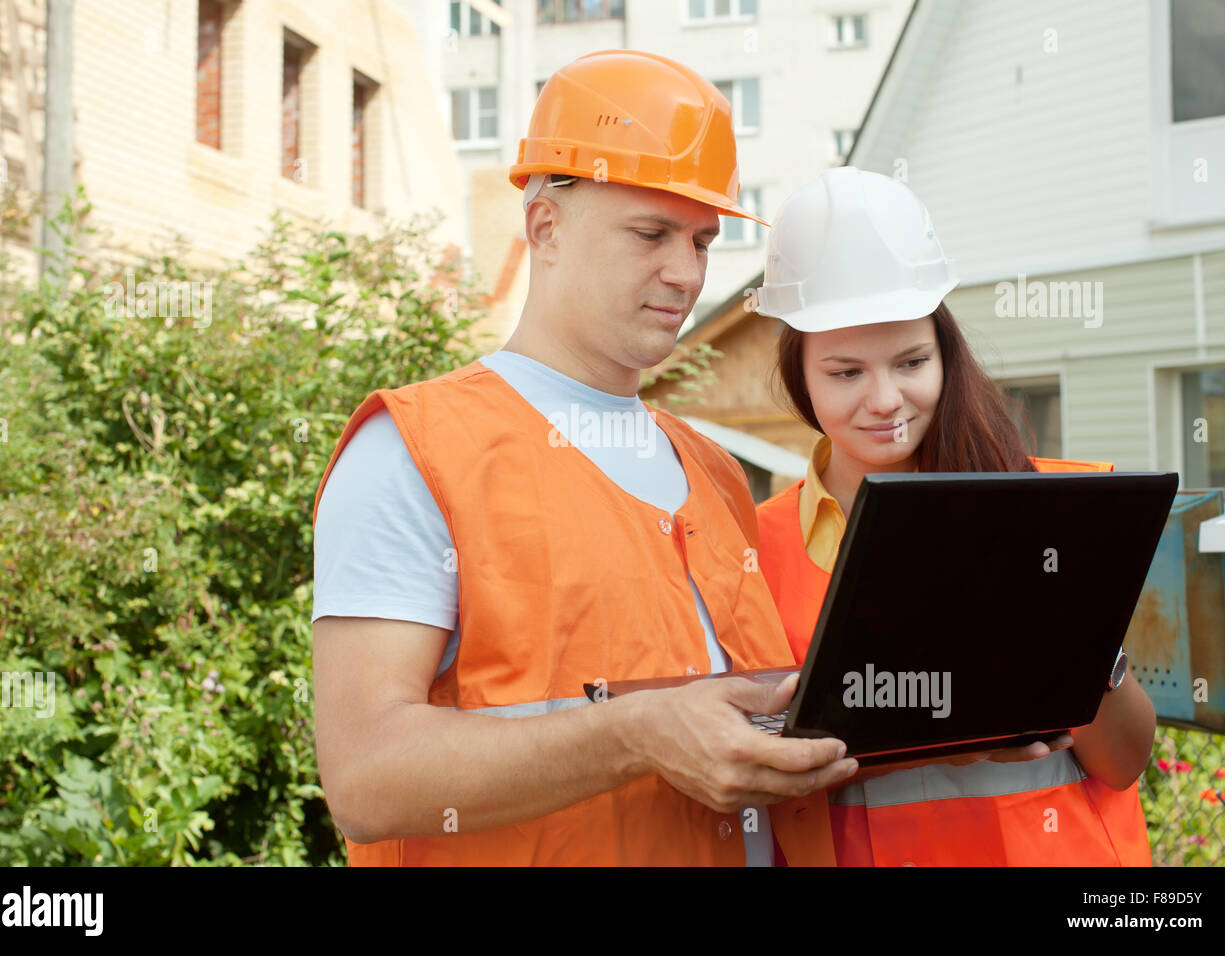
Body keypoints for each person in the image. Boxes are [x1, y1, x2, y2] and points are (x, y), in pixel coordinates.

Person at [309, 50, 853, 866]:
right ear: (544, 226)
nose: (686, 273)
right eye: (650, 233)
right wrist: (631, 736)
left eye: (703, 240)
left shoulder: (714, 473)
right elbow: (364, 777)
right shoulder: (414, 451)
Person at [752, 167, 1157, 866]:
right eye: (846, 372)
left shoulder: (1055, 509)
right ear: (801, 375)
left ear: (946, 355)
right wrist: (954, 735)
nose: (885, 400)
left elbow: (1122, 763)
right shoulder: (753, 550)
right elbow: (756, 789)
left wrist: (1087, 641)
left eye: (910, 362)